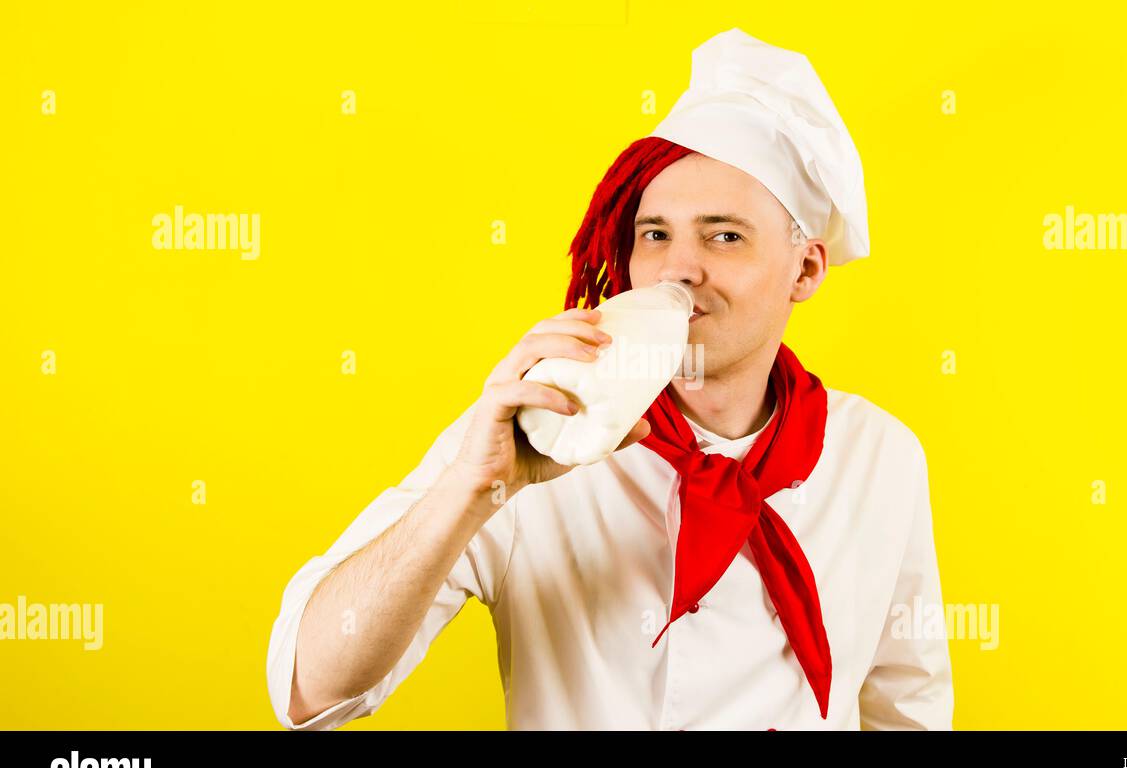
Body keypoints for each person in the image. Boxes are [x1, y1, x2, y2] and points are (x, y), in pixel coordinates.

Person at [267, 27, 954, 730]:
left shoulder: (882, 457)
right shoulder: (534, 431)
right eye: (654, 234)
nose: (677, 269)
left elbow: (909, 710)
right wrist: (469, 492)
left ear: (805, 269)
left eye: (724, 235)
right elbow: (307, 688)